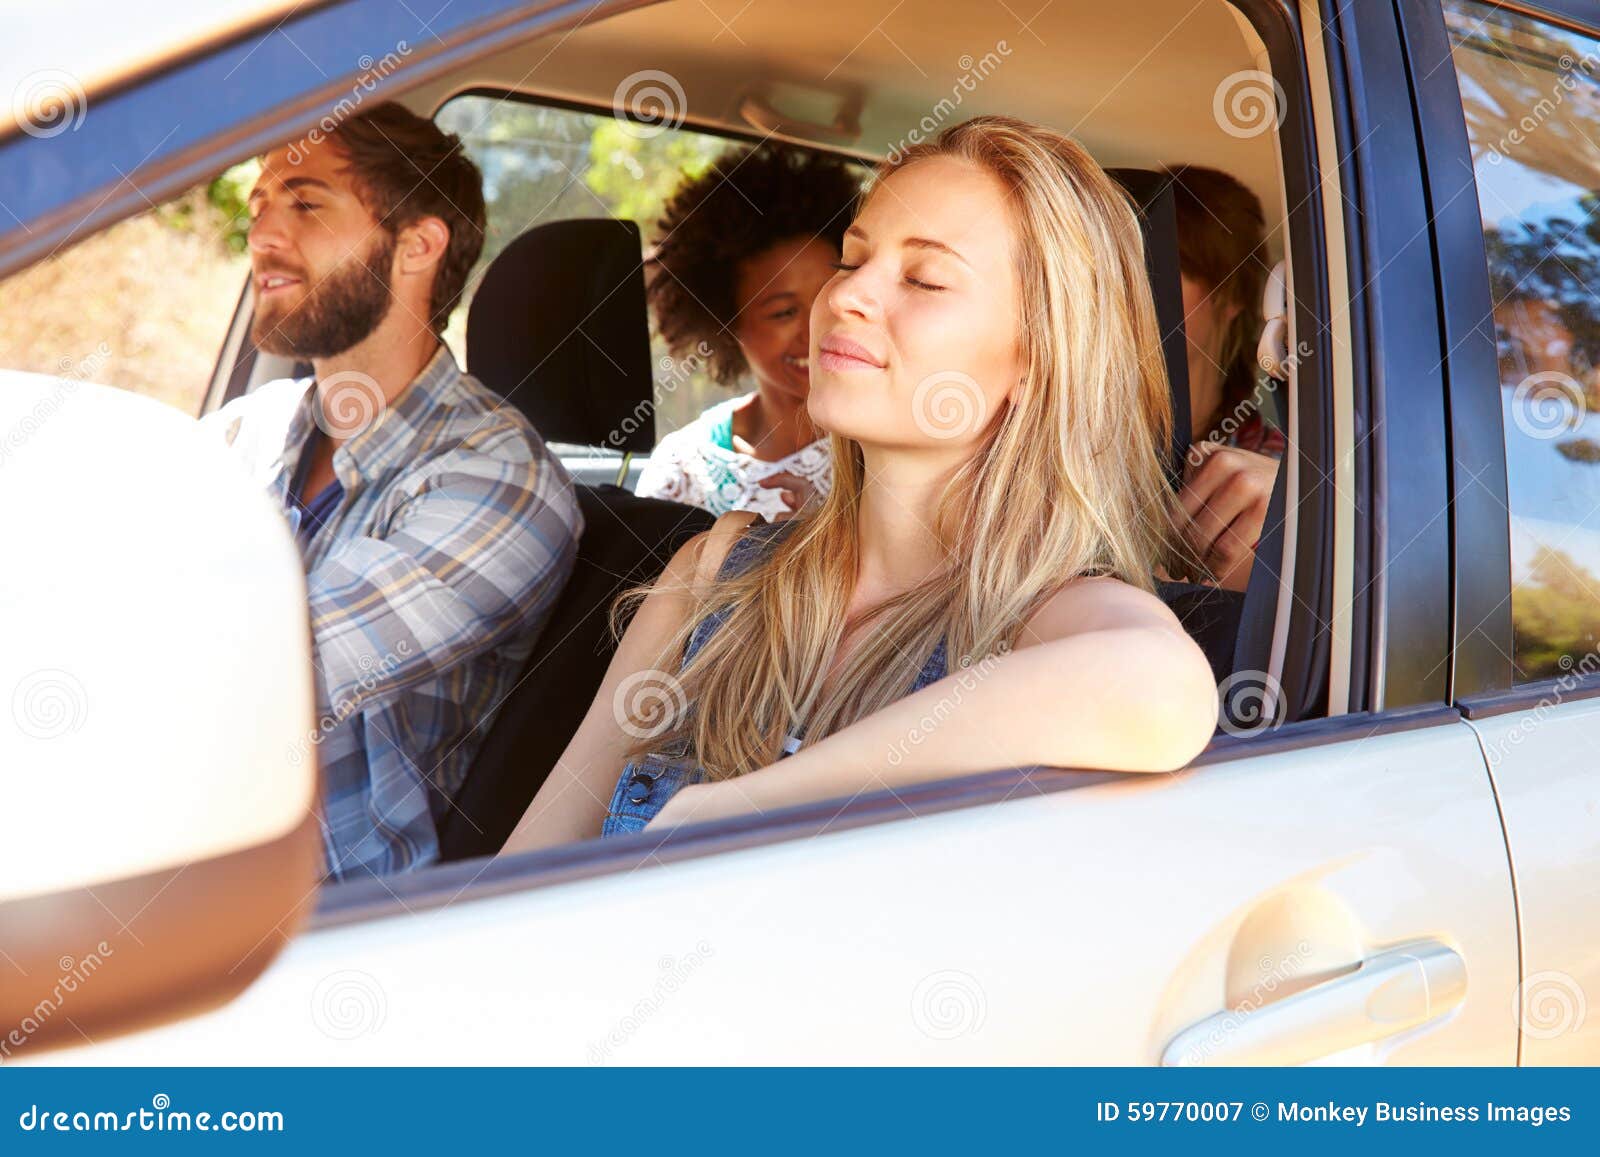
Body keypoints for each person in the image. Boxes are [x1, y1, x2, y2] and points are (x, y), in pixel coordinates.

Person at [501, 115, 1218, 853]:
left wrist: (734, 810)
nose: (844, 296)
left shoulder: (1047, 616)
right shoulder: (711, 574)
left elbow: (1162, 691)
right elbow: (522, 877)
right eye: (851, 260)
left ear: (1040, 358)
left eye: (924, 278)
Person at [203, 102, 582, 880]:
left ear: (417, 245)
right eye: (260, 205)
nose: (262, 235)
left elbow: (259, 672)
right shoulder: (250, 428)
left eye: (306, 204)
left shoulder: (501, 480)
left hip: (320, 913)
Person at [635, 144, 863, 518]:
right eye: (784, 312)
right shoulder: (685, 469)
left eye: (830, 297)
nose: (817, 330)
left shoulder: (895, 447)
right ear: (726, 324)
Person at [1166, 164, 1283, 592]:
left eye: (1161, 269)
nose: (1129, 290)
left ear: (1229, 295)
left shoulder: (1277, 474)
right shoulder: (1061, 432)